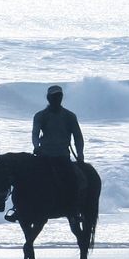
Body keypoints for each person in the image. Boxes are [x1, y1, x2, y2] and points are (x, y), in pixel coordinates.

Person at [18, 85, 85, 219]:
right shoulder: (41, 116)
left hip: (62, 156)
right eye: (54, 97)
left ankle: (73, 209)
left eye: (59, 96)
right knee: (24, 179)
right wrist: (36, 146)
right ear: (49, 98)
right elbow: (35, 133)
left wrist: (80, 154)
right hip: (44, 155)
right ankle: (19, 208)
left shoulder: (69, 116)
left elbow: (78, 136)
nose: (57, 99)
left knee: (72, 180)